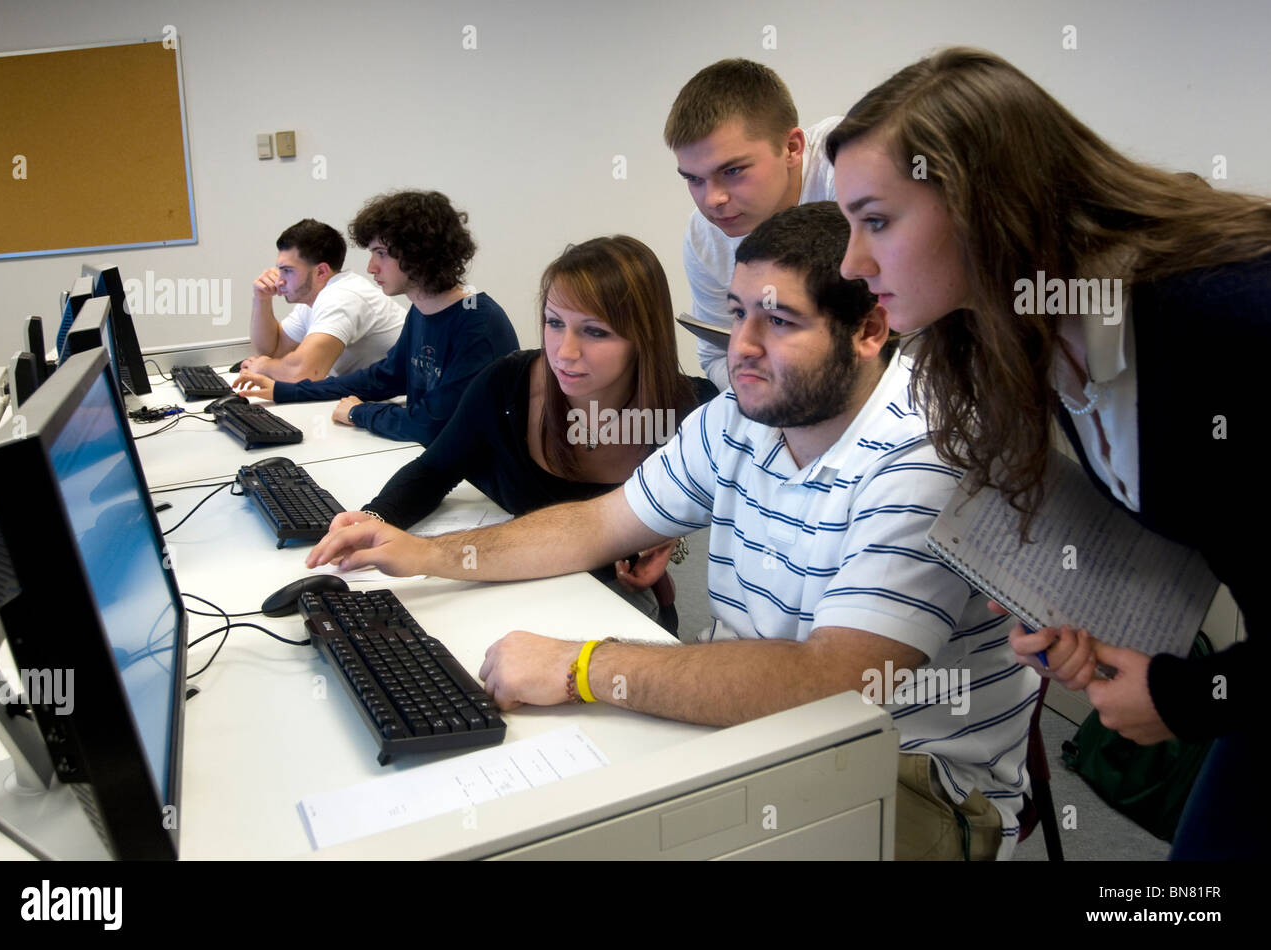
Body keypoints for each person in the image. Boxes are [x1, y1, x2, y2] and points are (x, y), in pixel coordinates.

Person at [306, 204, 1042, 861]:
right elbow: (599, 523)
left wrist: (581, 666)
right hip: (761, 731)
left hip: (906, 771)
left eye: (778, 320)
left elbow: (832, 680)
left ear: (869, 330)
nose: (742, 347)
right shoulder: (741, 414)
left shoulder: (925, 454)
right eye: (736, 314)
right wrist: (430, 554)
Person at [827, 46, 1271, 859]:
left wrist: (1189, 696)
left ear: (984, 203)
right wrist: (1081, 611)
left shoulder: (1221, 317)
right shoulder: (1033, 330)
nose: (852, 265)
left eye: (877, 221)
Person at [328, 235, 715, 623]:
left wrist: (668, 533)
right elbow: (434, 469)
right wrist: (375, 521)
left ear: (643, 336)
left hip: (606, 606)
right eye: (554, 323)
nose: (565, 351)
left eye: (595, 331)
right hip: (511, 592)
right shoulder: (507, 385)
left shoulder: (691, 411)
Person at [234, 192, 518, 445]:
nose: (371, 267)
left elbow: (433, 423)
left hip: (481, 480)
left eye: (381, 253)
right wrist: (285, 392)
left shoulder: (477, 323)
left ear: (420, 253)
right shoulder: (421, 312)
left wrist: (359, 412)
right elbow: (380, 379)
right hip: (436, 459)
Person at [665, 59, 840, 390]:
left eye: (732, 171)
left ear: (792, 148)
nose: (712, 199)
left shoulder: (848, 163)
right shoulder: (705, 237)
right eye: (693, 179)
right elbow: (716, 355)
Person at [242, 218, 406, 382]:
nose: (279, 281)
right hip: (366, 399)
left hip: (393, 404)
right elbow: (273, 350)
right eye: (280, 270)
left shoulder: (341, 297)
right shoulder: (314, 299)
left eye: (287, 271)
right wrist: (261, 299)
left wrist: (263, 366)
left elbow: (303, 373)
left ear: (321, 272)